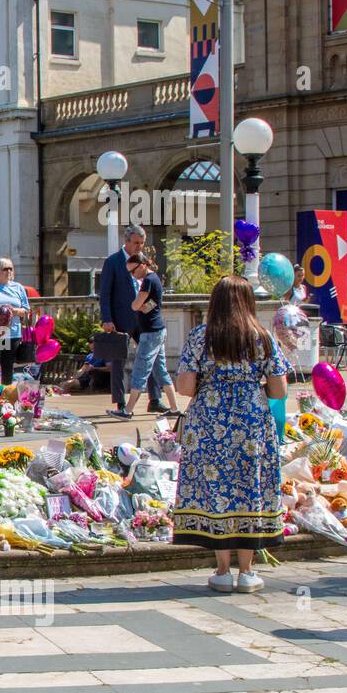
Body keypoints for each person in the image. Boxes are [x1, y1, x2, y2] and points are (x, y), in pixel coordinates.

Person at [174, 275, 288, 594]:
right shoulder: (262, 338)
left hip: (209, 420)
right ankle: (248, 571)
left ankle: (222, 569)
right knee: (249, 484)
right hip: (251, 420)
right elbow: (279, 388)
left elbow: (184, 387)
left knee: (216, 486)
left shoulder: (201, 336)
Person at [99, 225, 165, 414]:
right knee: (118, 360)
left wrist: (151, 309)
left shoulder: (144, 261)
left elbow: (153, 291)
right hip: (121, 318)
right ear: (126, 241)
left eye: (142, 243)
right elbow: (105, 293)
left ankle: (155, 398)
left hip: (144, 319)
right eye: (136, 243)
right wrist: (107, 318)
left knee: (150, 357)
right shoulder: (113, 262)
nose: (139, 247)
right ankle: (120, 401)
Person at [108, 253, 179, 419]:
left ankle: (127, 410)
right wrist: (141, 306)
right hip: (157, 330)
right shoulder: (154, 279)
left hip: (150, 333)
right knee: (161, 371)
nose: (132, 275)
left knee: (140, 371)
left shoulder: (148, 281)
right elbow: (146, 305)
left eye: (133, 271)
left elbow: (134, 305)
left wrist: (138, 305)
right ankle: (175, 408)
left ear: (141, 265)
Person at [0, 258, 30, 386]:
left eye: (10, 268)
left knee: (7, 365)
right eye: (4, 268)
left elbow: (25, 309)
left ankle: (6, 396)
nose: (8, 271)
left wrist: (14, 310)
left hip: (10, 332)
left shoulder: (18, 287)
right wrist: (0, 308)